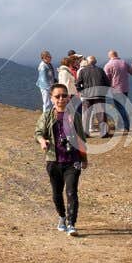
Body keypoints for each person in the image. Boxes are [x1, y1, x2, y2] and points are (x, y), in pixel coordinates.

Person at [35, 83, 88, 237]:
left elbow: (81, 139)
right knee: (56, 193)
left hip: (73, 161)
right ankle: (62, 217)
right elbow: (38, 132)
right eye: (57, 96)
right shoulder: (46, 116)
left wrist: (84, 158)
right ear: (51, 99)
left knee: (72, 192)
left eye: (64, 95)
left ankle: (71, 223)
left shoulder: (75, 117)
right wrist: (42, 141)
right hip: (53, 160)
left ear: (68, 97)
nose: (61, 99)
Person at [76, 54, 112, 138]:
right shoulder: (100, 70)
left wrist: (81, 91)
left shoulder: (82, 71)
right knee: (101, 114)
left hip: (87, 96)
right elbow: (107, 83)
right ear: (95, 62)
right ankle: (104, 133)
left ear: (87, 62)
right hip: (100, 95)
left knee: (86, 115)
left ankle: (85, 133)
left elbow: (78, 84)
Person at [104, 50, 132, 131]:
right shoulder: (124, 63)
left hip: (115, 89)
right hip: (125, 89)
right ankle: (121, 125)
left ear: (109, 56)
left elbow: (106, 79)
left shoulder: (108, 65)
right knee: (122, 107)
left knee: (120, 108)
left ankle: (125, 126)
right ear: (117, 55)